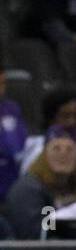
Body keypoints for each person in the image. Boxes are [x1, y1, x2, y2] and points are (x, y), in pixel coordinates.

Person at [3, 125, 76, 239]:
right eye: (56, 148)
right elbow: (38, 237)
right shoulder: (29, 189)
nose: (63, 154)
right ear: (44, 155)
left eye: (70, 149)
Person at [0, 63, 28, 200]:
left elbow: (20, 143)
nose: (1, 89)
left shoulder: (11, 108)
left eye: (3, 84)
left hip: (11, 178)